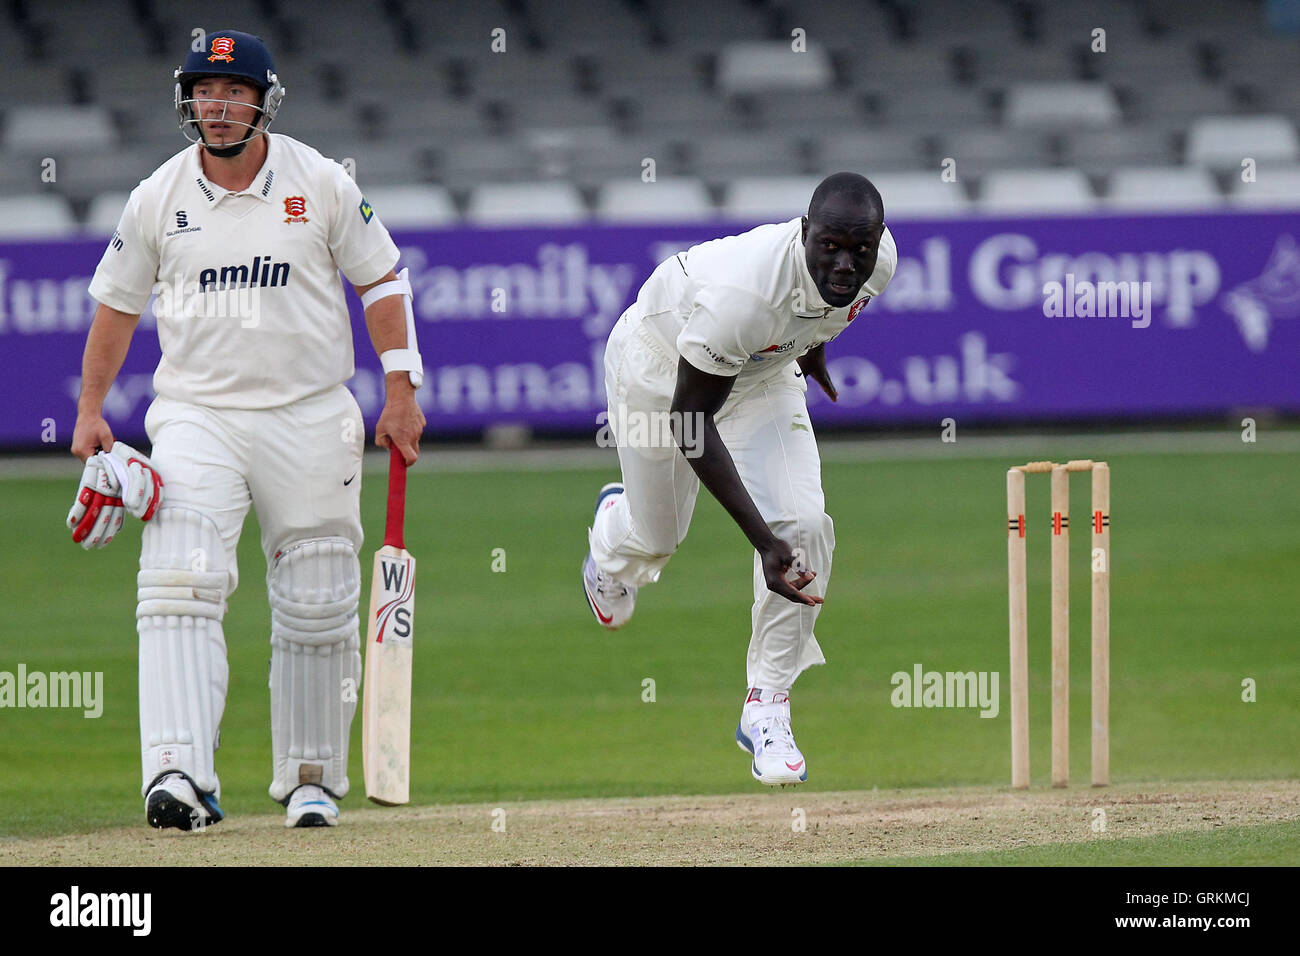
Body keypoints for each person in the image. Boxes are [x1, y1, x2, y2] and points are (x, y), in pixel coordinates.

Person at [68, 29, 425, 829]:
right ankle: (177, 777)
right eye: (204, 91)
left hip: (310, 412)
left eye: (233, 92)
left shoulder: (323, 182)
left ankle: (310, 780)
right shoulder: (157, 194)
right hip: (198, 415)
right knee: (177, 587)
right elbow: (117, 307)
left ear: (265, 100)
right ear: (187, 101)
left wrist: (401, 390)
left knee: (319, 598)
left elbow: (382, 280)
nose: (218, 106)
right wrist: (92, 411)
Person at [582, 172, 896, 786]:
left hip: (761, 374)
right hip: (660, 372)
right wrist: (762, 541)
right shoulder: (744, 298)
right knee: (659, 538)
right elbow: (691, 422)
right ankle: (611, 544)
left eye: (859, 249)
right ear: (804, 233)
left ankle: (768, 703)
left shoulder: (878, 263)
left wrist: (812, 348)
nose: (846, 262)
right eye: (829, 246)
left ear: (878, 240)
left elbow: (826, 311)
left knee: (804, 525)